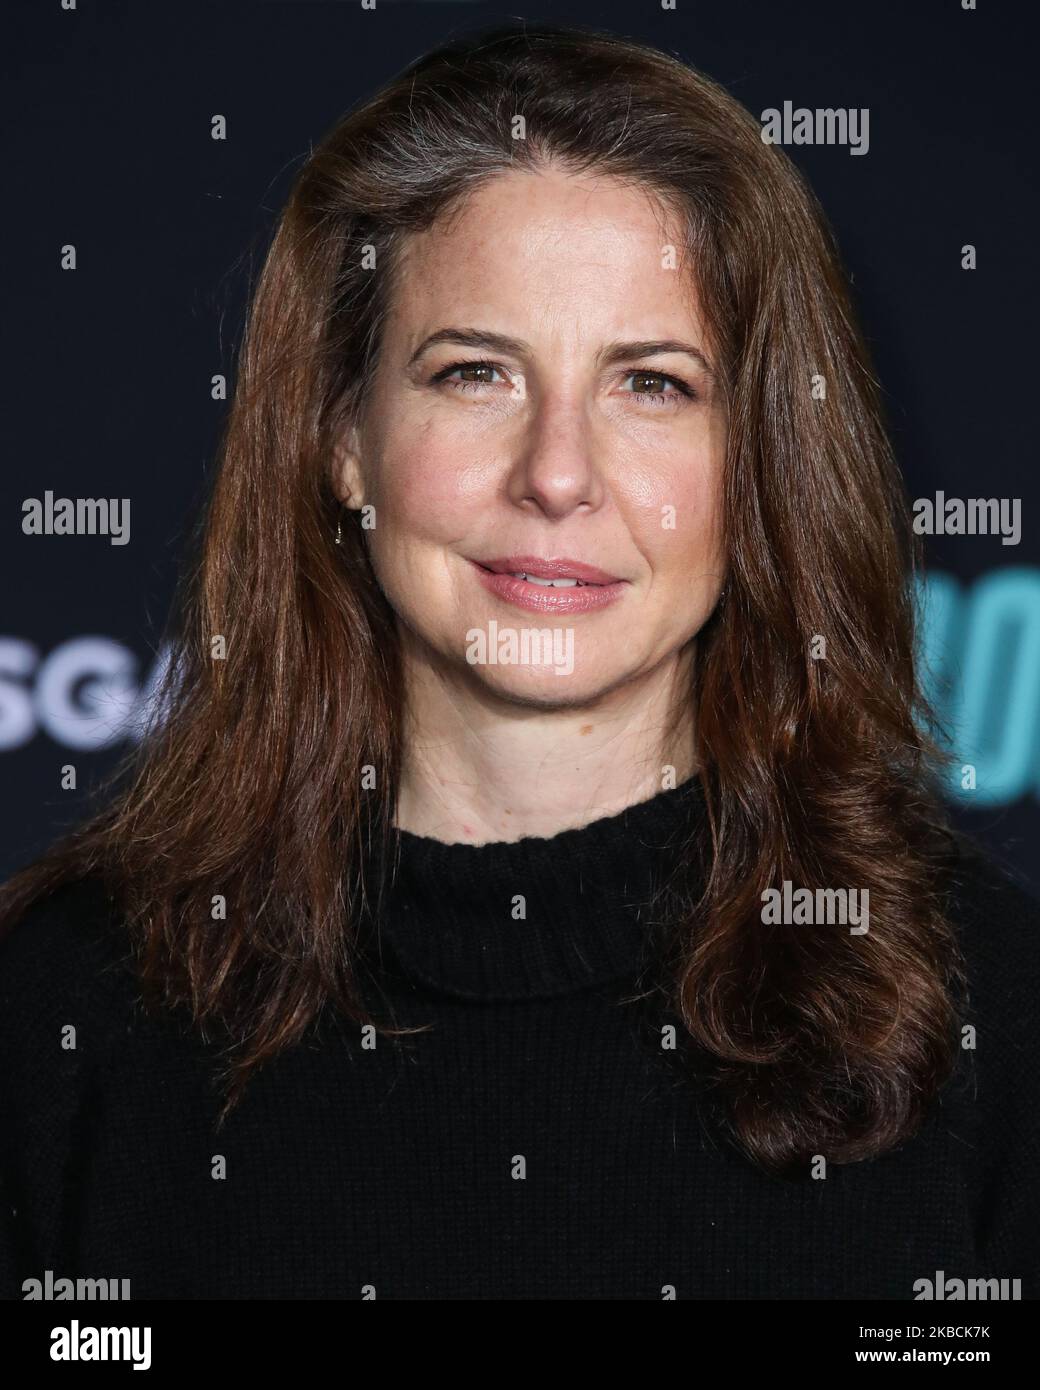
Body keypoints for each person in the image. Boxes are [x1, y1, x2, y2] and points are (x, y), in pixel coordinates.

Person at [1, 22, 1037, 1301]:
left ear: (758, 459)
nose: (556, 474)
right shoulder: (60, 1014)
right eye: (475, 371)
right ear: (343, 436)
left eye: (652, 384)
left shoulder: (989, 1012)